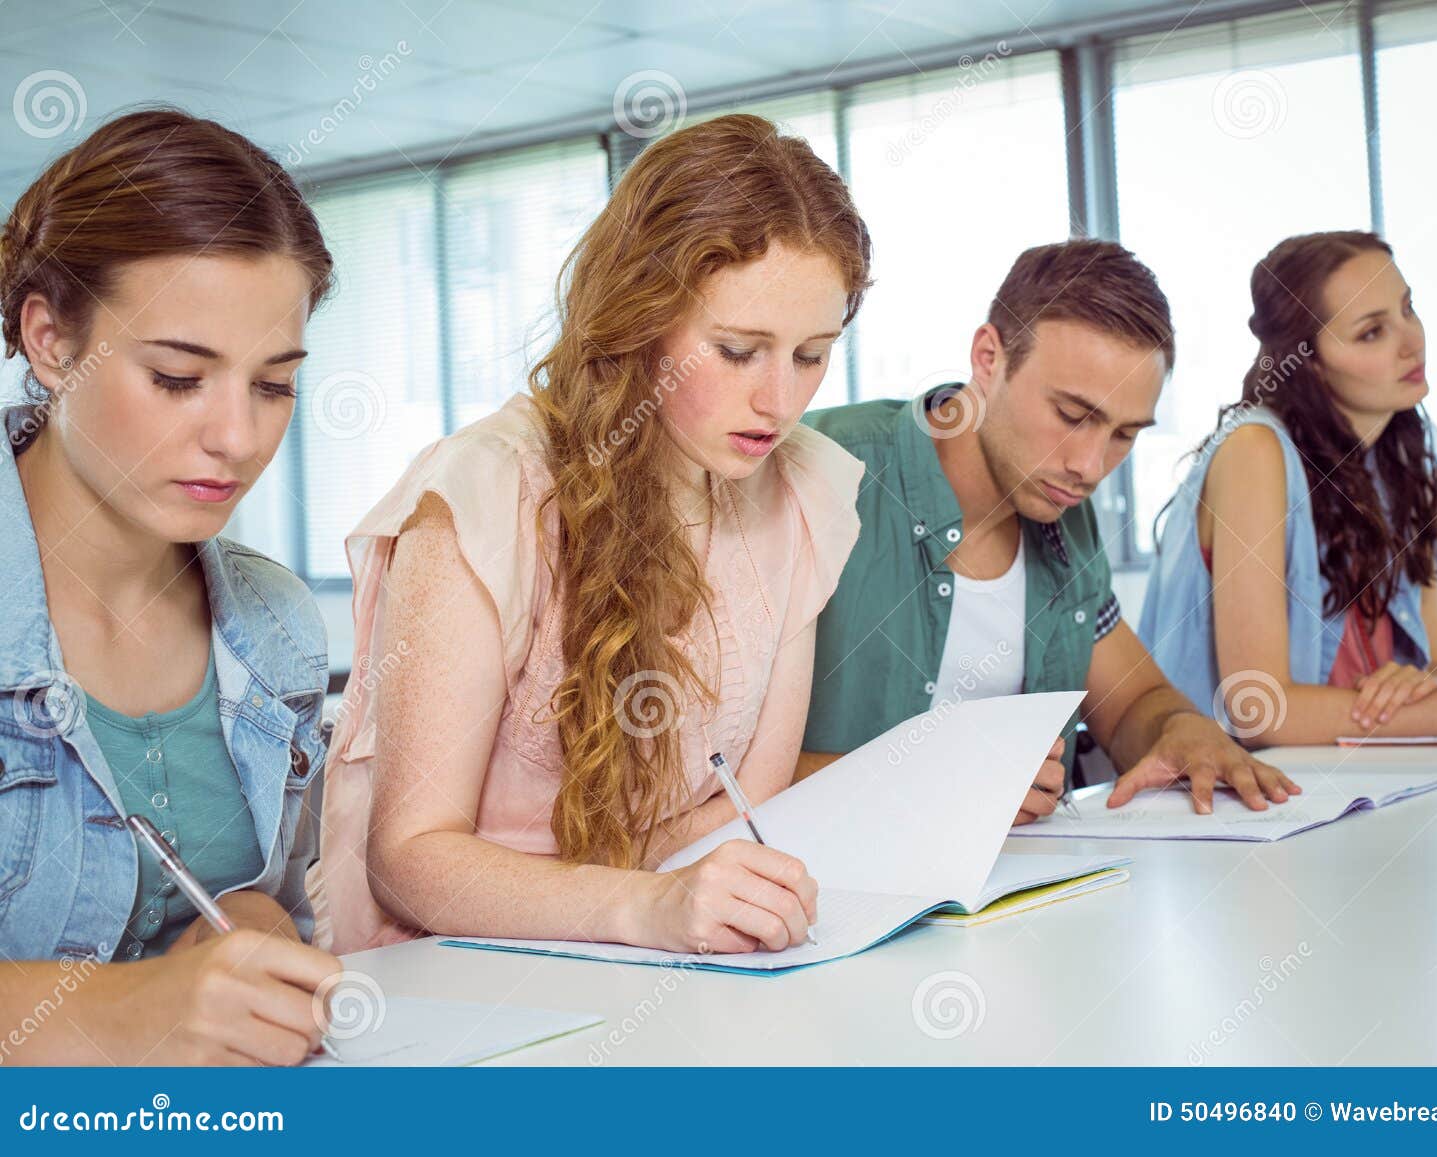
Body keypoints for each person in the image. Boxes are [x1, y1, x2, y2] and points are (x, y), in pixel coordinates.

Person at [313, 114, 872, 955]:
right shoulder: (485, 495)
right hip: (455, 984)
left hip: (653, 959)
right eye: (737, 349)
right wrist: (642, 902)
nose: (779, 401)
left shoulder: (800, 492)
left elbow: (751, 799)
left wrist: (664, 900)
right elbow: (409, 860)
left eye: (811, 354)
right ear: (640, 321)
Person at [0, 109, 343, 1064]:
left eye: (272, 386)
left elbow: (262, 907)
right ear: (51, 341)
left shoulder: (276, 626)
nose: (236, 438)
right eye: (179, 377)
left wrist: (253, 939)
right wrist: (133, 1010)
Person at [801, 240, 1298, 818]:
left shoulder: (1065, 519)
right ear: (989, 358)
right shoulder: (821, 470)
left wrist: (1181, 730)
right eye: (1071, 416)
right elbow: (711, 776)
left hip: (1026, 890)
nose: (1090, 467)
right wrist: (932, 784)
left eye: (1124, 433)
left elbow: (1136, 701)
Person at [1139, 231, 1437, 744]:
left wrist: (1420, 686)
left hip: (1357, 784)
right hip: (1228, 798)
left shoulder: (1402, 467)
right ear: (1309, 361)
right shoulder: (1255, 451)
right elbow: (1260, 710)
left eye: (1408, 309)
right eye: (1371, 332)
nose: (1412, 341)